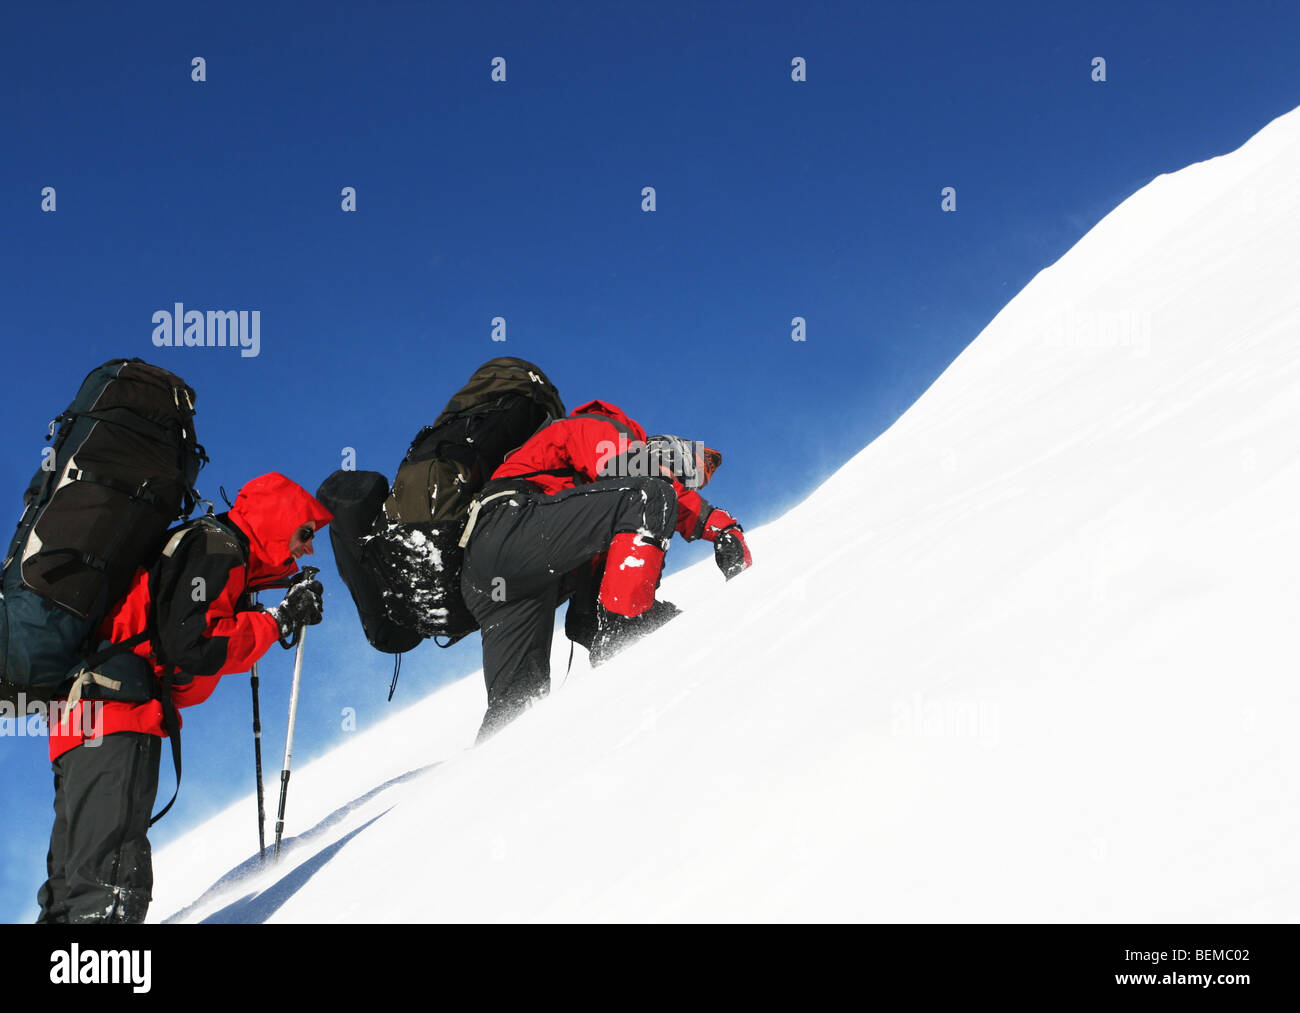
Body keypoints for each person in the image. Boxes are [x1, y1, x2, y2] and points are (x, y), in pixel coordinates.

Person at [36, 472, 333, 924]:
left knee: (69, 891)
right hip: (118, 716)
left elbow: (176, 649)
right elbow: (191, 645)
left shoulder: (200, 546)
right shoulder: (217, 547)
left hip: (80, 718)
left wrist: (254, 612)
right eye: (306, 532)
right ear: (278, 517)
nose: (309, 546)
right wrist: (277, 621)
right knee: (107, 890)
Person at [460, 400, 752, 741]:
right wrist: (720, 526)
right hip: (514, 521)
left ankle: (489, 780)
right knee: (648, 495)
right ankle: (624, 625)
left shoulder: (584, 508)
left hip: (491, 572)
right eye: (683, 471)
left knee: (518, 706)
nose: (683, 484)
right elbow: (638, 472)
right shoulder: (601, 425)